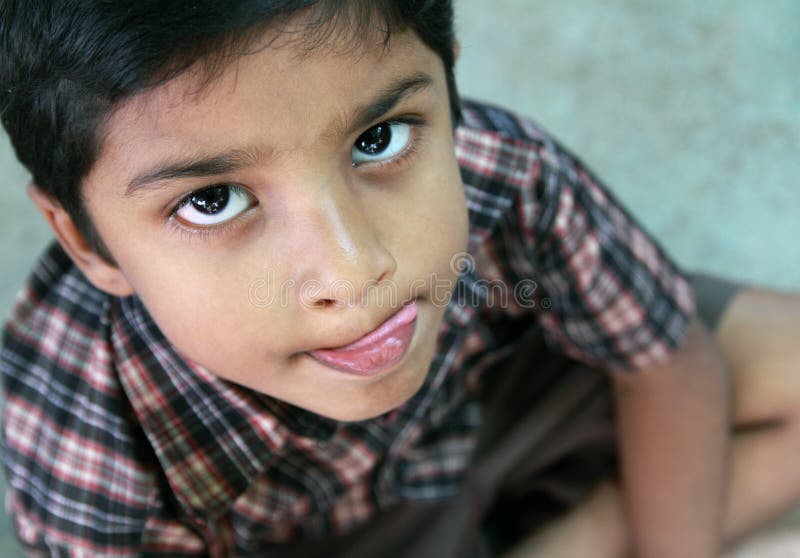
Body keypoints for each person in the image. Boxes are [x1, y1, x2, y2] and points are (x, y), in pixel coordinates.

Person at [1, 1, 798, 556]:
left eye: (378, 138)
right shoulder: (77, 431)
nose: (356, 272)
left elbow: (663, 359)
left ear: (448, 88)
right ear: (85, 240)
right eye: (212, 202)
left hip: (500, 393)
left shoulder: (499, 166)